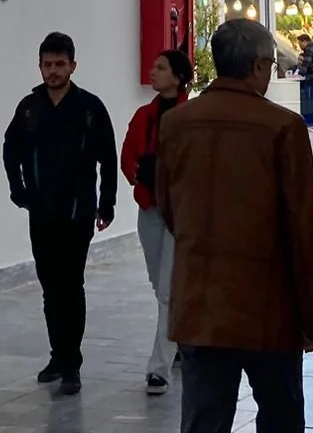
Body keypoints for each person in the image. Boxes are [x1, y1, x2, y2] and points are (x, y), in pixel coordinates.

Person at [159, 18, 313, 433]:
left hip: (199, 304)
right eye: (271, 65)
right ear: (257, 66)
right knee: (280, 416)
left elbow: (168, 207)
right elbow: (303, 226)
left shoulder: (177, 124)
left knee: (204, 420)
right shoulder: (282, 127)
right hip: (268, 307)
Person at [3, 31, 117, 396]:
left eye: (59, 64)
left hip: (78, 211)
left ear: (73, 65)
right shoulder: (29, 108)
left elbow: (108, 159)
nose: (53, 71)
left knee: (72, 285)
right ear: (39, 66)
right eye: (47, 65)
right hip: (42, 212)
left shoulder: (89, 108)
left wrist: (107, 203)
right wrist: (18, 190)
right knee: (51, 288)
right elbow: (11, 150)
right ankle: (57, 355)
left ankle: (72, 363)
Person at [120, 47, 192, 396]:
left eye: (161, 68)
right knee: (157, 281)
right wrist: (140, 176)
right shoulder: (143, 115)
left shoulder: (190, 115)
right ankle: (176, 337)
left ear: (177, 77)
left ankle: (158, 367)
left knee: (167, 289)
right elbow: (128, 155)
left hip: (178, 212)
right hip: (149, 208)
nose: (153, 72)